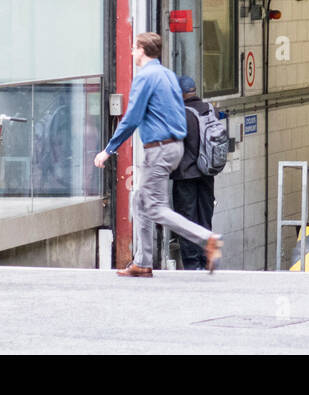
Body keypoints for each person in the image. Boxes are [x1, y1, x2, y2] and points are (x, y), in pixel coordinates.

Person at [94, 33, 221, 276]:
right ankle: (143, 262)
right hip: (175, 146)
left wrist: (108, 150)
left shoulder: (145, 77)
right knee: (140, 201)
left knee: (155, 208)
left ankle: (208, 240)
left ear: (142, 50)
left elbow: (132, 118)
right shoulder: (168, 75)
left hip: (159, 149)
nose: (132, 52)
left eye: (134, 48)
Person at [171, 76, 217, 271]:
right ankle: (207, 258)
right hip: (207, 172)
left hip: (186, 175)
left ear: (180, 93)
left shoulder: (180, 114)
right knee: (205, 217)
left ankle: (192, 264)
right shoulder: (210, 109)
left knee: (186, 220)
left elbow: (173, 142)